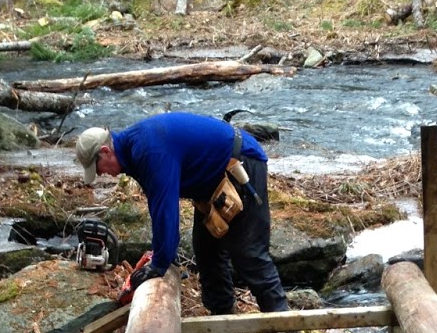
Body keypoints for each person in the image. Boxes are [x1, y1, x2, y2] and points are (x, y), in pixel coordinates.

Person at [74, 112, 289, 316]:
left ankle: (283, 326)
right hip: (211, 181)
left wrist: (160, 263)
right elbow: (157, 205)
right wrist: (162, 252)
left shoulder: (149, 151)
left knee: (249, 252)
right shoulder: (133, 152)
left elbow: (166, 208)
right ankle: (222, 318)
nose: (102, 174)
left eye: (98, 168)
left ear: (105, 151)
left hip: (239, 164)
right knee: (206, 250)